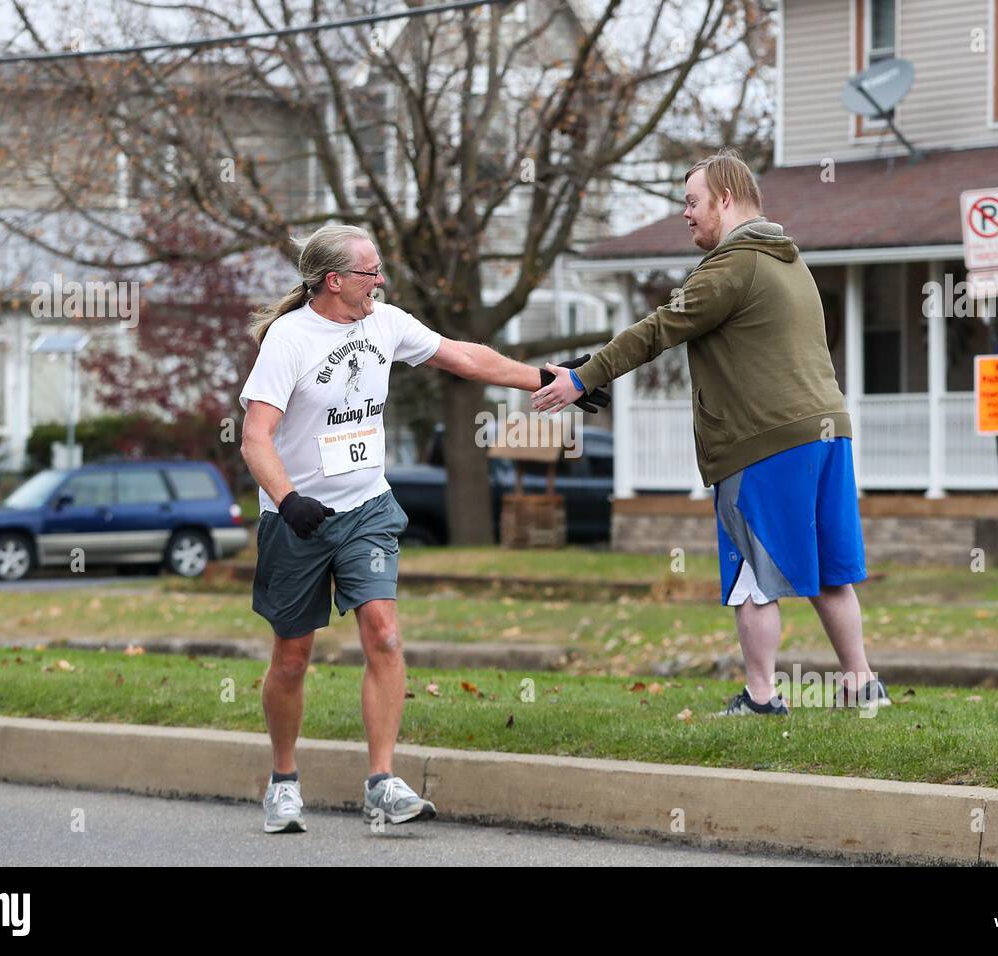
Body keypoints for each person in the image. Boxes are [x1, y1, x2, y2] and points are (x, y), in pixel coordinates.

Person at [240, 224, 609, 834]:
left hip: (366, 507)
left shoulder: (385, 322)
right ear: (335, 281)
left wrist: (543, 377)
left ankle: (382, 782)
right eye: (370, 272)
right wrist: (288, 498)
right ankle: (283, 780)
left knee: (383, 634)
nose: (380, 281)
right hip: (298, 517)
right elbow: (256, 437)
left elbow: (464, 356)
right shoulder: (289, 339)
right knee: (292, 657)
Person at [534, 148, 889, 716]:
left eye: (692, 201)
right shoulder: (789, 262)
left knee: (752, 570)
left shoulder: (733, 266)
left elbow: (658, 330)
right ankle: (861, 684)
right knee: (829, 569)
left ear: (725, 199)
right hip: (826, 434)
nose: (686, 214)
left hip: (764, 441)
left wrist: (583, 377)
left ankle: (761, 696)